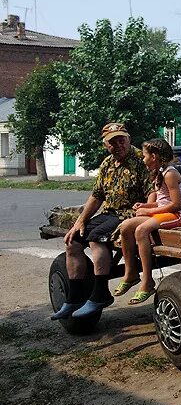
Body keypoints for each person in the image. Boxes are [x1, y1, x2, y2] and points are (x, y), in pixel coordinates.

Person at [52, 123, 153, 320]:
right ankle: (73, 299)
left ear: (129, 139)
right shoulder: (107, 163)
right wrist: (79, 222)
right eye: (112, 142)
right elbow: (97, 196)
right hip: (109, 213)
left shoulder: (141, 161)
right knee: (72, 241)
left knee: (96, 237)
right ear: (105, 145)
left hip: (130, 214)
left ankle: (100, 294)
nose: (118, 145)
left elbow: (152, 193)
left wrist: (146, 216)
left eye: (121, 139)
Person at [115, 138, 181, 305]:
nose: (143, 159)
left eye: (144, 156)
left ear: (154, 156)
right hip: (165, 212)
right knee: (126, 226)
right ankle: (130, 272)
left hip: (178, 216)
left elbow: (176, 205)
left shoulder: (170, 174)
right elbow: (163, 201)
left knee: (141, 230)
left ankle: (147, 281)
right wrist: (145, 205)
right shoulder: (160, 172)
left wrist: (149, 211)